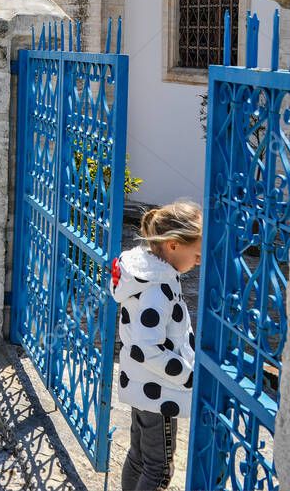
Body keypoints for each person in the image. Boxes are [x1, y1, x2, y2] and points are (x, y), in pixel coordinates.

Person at [111, 200, 202, 491]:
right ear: (173, 245)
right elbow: (146, 348)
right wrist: (188, 376)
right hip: (159, 392)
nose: (198, 262)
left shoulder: (150, 273)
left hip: (143, 386)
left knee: (139, 458)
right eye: (196, 254)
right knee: (159, 468)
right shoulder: (156, 288)